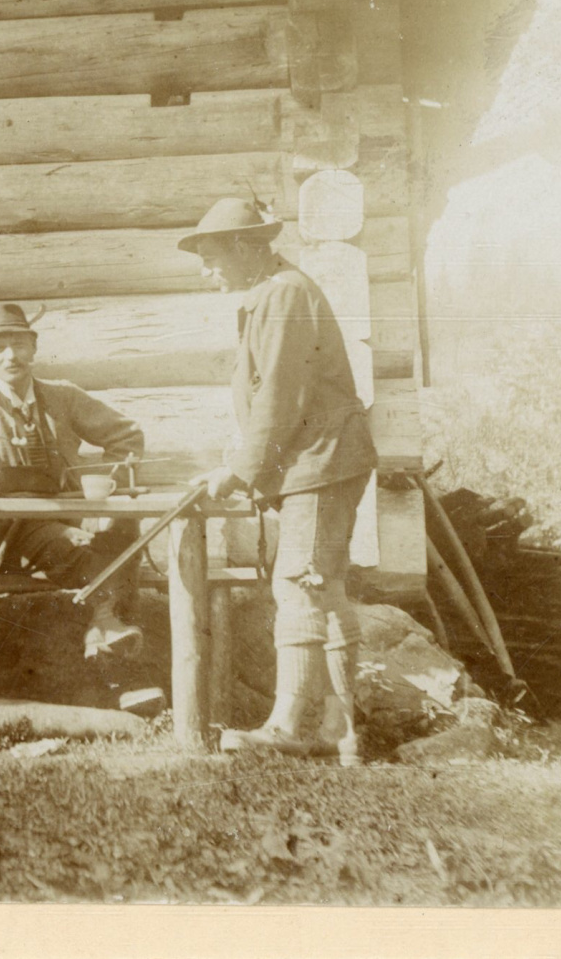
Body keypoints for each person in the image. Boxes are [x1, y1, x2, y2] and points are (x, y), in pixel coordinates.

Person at [179, 198, 378, 766]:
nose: (205, 271)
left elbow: (282, 396)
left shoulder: (285, 293)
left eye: (212, 258)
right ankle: (343, 732)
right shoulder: (272, 294)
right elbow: (274, 396)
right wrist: (237, 457)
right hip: (318, 459)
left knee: (299, 583)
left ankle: (290, 722)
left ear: (246, 248)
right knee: (325, 587)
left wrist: (241, 470)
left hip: (321, 458)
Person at [0, 304, 165, 715]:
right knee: (80, 547)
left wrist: (95, 479)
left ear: (33, 349)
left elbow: (127, 435)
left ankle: (104, 628)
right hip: (4, 534)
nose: (11, 355)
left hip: (64, 517)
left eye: (19, 344)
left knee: (126, 530)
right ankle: (122, 677)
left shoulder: (62, 397)